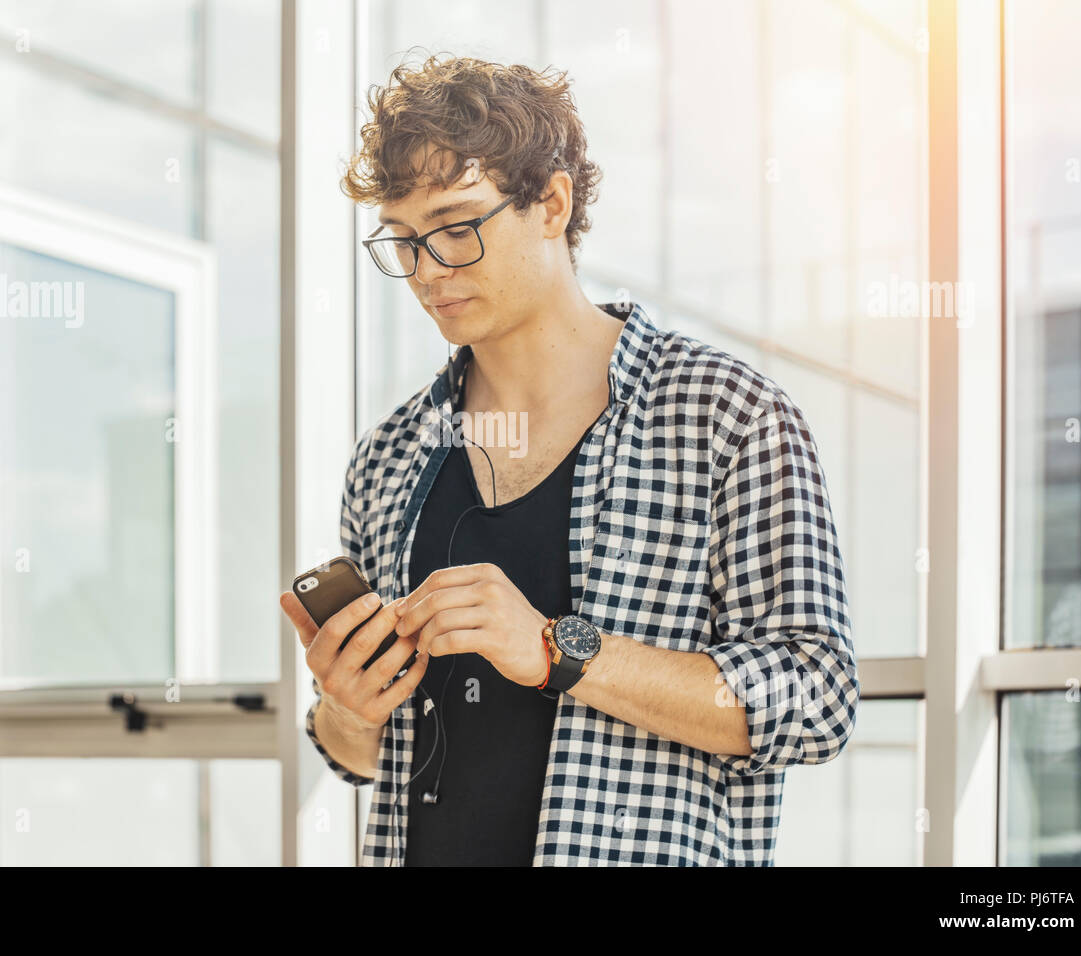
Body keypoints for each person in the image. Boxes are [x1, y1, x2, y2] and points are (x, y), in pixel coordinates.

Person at [278, 52, 859, 866]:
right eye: (405, 242)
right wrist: (349, 709)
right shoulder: (387, 459)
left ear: (551, 202)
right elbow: (362, 757)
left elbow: (815, 700)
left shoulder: (726, 417)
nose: (427, 272)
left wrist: (558, 649)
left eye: (457, 227)